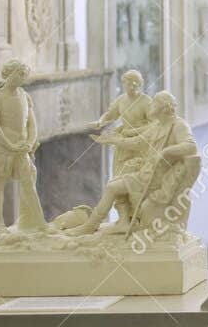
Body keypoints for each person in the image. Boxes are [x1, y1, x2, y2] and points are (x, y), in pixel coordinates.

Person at [68, 91, 200, 237]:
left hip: (159, 179)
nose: (151, 105)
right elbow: (137, 142)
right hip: (147, 174)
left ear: (163, 107)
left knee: (113, 187)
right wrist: (112, 140)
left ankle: (90, 226)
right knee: (116, 180)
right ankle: (112, 223)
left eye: (155, 103)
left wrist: (166, 151)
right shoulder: (157, 126)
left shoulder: (178, 125)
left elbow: (190, 146)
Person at [0, 58, 46, 233]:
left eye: (24, 76)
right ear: (8, 74)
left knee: (28, 183)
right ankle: (0, 223)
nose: (22, 79)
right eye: (19, 75)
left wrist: (30, 142)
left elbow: (32, 123)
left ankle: (40, 223)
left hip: (21, 149)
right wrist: (9, 145)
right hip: (2, 149)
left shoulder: (25, 96)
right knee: (0, 182)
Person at [92, 69, 153, 177]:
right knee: (119, 174)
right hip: (124, 140)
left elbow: (154, 124)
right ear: (124, 84)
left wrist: (135, 131)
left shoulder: (146, 101)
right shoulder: (121, 100)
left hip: (141, 141)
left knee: (138, 175)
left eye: (135, 83)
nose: (132, 86)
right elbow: (110, 114)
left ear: (140, 84)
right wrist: (100, 121)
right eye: (129, 83)